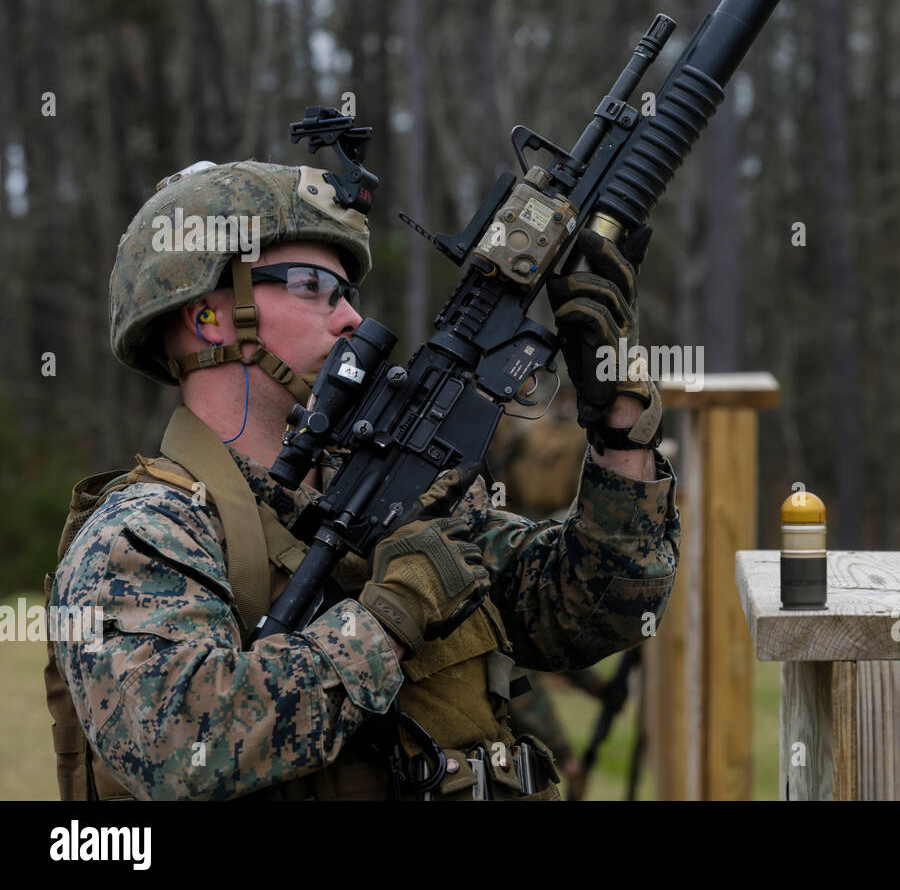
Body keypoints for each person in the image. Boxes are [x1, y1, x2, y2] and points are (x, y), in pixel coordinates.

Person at [45, 158, 679, 800]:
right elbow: (181, 744)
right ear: (208, 317)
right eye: (310, 284)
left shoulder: (389, 495)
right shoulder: (142, 535)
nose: (348, 317)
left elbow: (593, 609)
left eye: (348, 292)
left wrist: (621, 424)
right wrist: (394, 612)